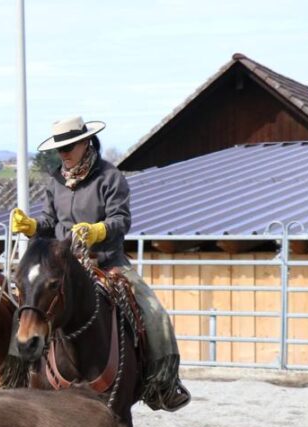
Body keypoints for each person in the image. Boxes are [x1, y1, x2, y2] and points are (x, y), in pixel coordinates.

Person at [11, 115, 191, 411]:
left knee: (154, 312)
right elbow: (49, 221)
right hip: (63, 266)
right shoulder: (55, 180)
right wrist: (32, 226)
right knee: (28, 303)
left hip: (107, 263)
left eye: (68, 147)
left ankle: (163, 383)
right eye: (59, 149)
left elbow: (121, 219)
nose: (63, 154)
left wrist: (98, 230)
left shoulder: (110, 177)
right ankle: (16, 373)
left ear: (85, 142)